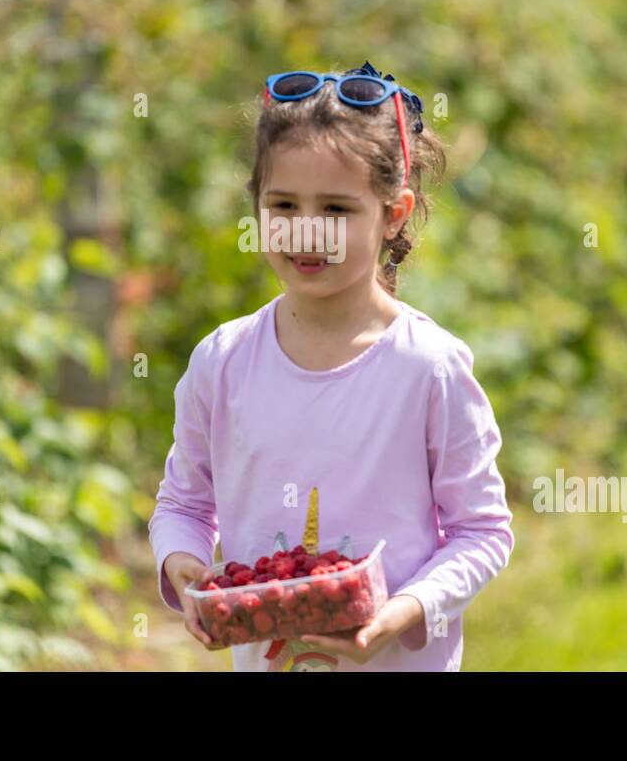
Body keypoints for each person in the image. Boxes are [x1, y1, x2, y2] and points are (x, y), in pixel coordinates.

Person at [149, 62, 514, 671]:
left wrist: (402, 611)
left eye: (338, 210)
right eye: (284, 204)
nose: (307, 231)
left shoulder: (428, 368)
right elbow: (183, 504)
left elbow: (483, 531)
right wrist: (179, 561)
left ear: (393, 212)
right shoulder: (223, 361)